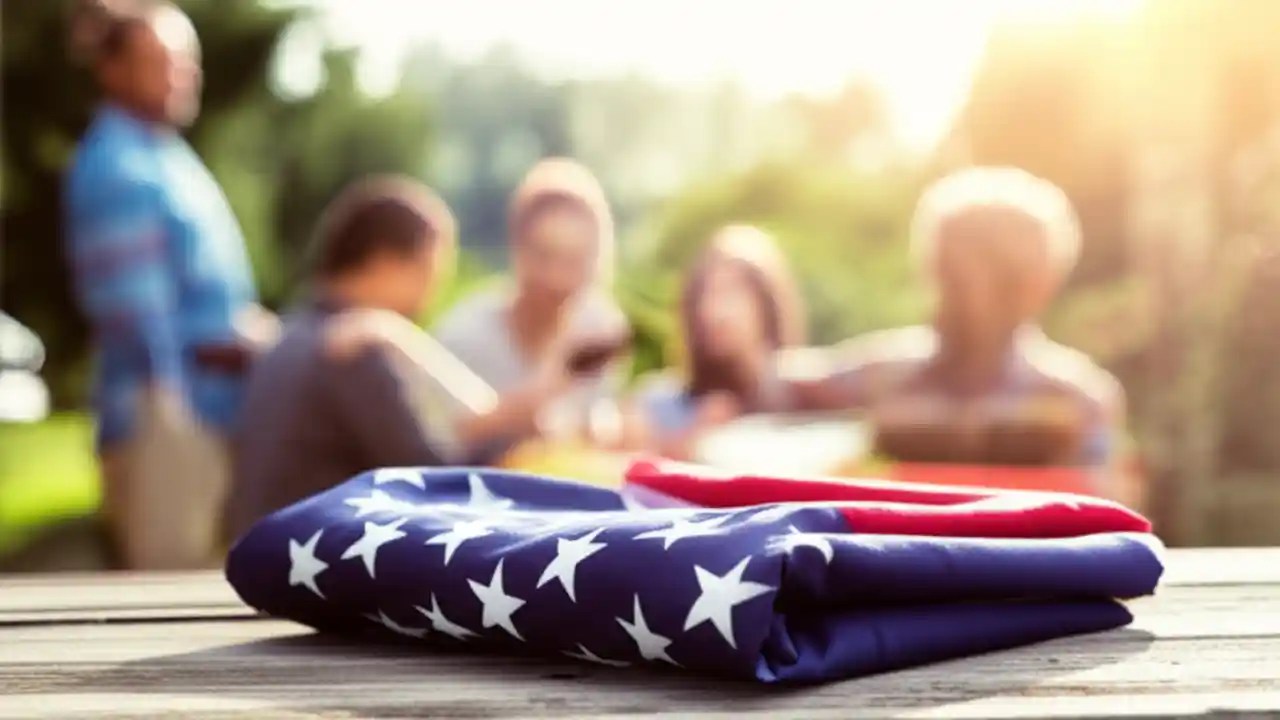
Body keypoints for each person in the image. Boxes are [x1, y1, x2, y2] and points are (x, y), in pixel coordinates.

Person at [226, 177, 575, 539]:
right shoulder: (354, 351)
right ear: (386, 262)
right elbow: (431, 482)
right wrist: (512, 439)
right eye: (430, 271)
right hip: (315, 568)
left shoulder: (293, 335)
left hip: (268, 552)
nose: (432, 291)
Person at [63, 0, 275, 569]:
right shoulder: (117, 164)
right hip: (166, 414)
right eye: (163, 60)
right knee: (166, 597)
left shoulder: (165, 154)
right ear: (112, 70)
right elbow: (134, 313)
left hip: (208, 411)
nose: (183, 73)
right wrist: (172, 417)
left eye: (187, 60)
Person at [795, 167, 1125, 467]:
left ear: (1036, 284)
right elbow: (778, 386)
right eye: (945, 270)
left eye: (983, 274)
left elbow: (1099, 502)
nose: (955, 295)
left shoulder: (1077, 399)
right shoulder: (877, 376)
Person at [433, 159, 632, 451]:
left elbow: (596, 417)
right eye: (544, 256)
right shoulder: (464, 335)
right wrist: (547, 388)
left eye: (575, 261)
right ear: (517, 251)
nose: (557, 278)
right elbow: (443, 440)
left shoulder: (601, 326)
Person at [636, 225, 807, 460]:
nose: (716, 311)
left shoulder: (806, 391)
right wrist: (691, 440)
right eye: (707, 294)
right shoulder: (659, 405)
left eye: (733, 292)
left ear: (766, 304)